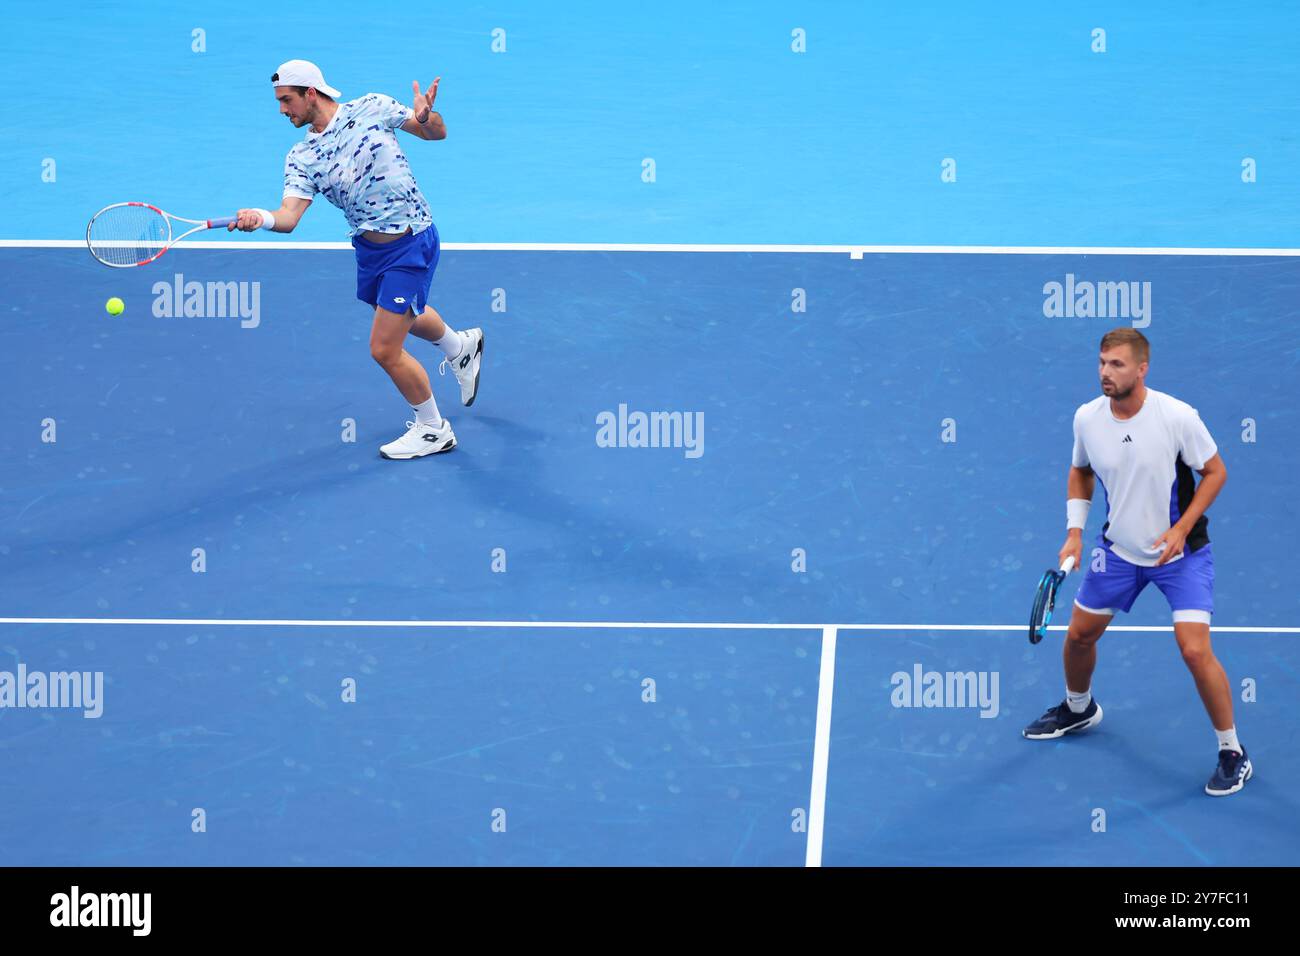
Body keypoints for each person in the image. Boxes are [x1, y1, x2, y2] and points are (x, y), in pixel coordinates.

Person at [1022, 328, 1249, 797]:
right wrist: (1074, 533)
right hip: (1118, 552)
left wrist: (1182, 527)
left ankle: (1232, 751)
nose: (1106, 373)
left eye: (1117, 365)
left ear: (1142, 368)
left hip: (1179, 554)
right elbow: (1081, 470)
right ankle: (1079, 707)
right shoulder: (1087, 418)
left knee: (1193, 649)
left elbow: (1216, 471)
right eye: (1102, 363)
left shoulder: (1177, 417)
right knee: (1079, 636)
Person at [229, 59, 482, 459]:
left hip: (411, 239)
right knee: (404, 312)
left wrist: (425, 117)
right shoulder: (301, 156)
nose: (282, 110)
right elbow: (289, 217)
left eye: (286, 100)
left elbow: (437, 134)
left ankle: (434, 429)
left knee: (384, 348)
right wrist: (259, 219)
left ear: (311, 92)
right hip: (369, 250)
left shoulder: (372, 107)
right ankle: (460, 346)